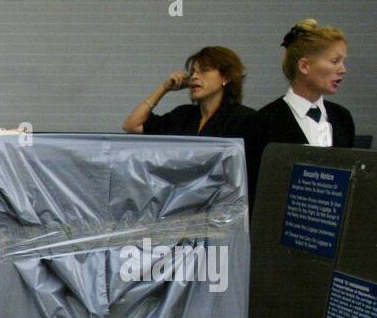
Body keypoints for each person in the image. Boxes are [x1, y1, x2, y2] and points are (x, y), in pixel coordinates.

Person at [247, 20, 355, 203]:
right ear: (304, 66)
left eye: (343, 61)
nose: (343, 70)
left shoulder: (342, 118)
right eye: (335, 61)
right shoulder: (264, 121)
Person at [123, 46, 255, 138]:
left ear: (225, 77)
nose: (194, 76)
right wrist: (164, 88)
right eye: (192, 72)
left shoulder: (243, 118)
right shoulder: (183, 115)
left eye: (205, 70)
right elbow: (131, 126)